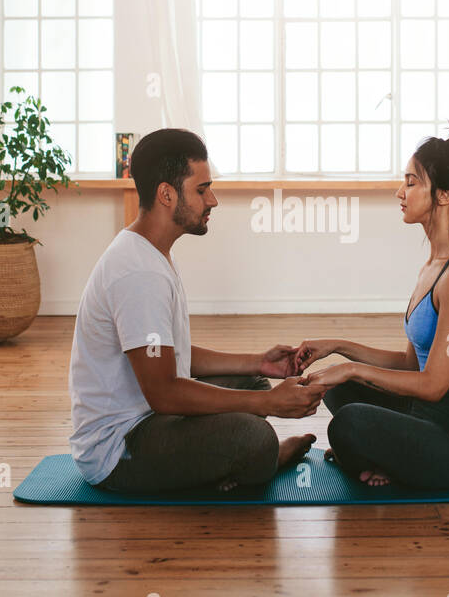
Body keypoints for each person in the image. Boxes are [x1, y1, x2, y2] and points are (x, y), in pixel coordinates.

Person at [68, 128, 324, 494]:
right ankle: (254, 461)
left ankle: (226, 468)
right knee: (255, 438)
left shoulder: (149, 253)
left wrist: (258, 363)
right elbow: (164, 393)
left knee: (251, 383)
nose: (213, 201)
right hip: (120, 448)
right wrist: (268, 403)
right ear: (166, 194)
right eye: (202, 190)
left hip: (150, 417)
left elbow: (170, 355)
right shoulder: (139, 273)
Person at [296, 130, 449, 489]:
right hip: (423, 414)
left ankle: (377, 458)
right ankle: (379, 460)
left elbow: (433, 385)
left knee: (348, 422)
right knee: (338, 386)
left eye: (411, 182)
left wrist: (351, 369)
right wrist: (338, 347)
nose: (400, 192)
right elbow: (409, 365)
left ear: (445, 194)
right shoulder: (432, 266)